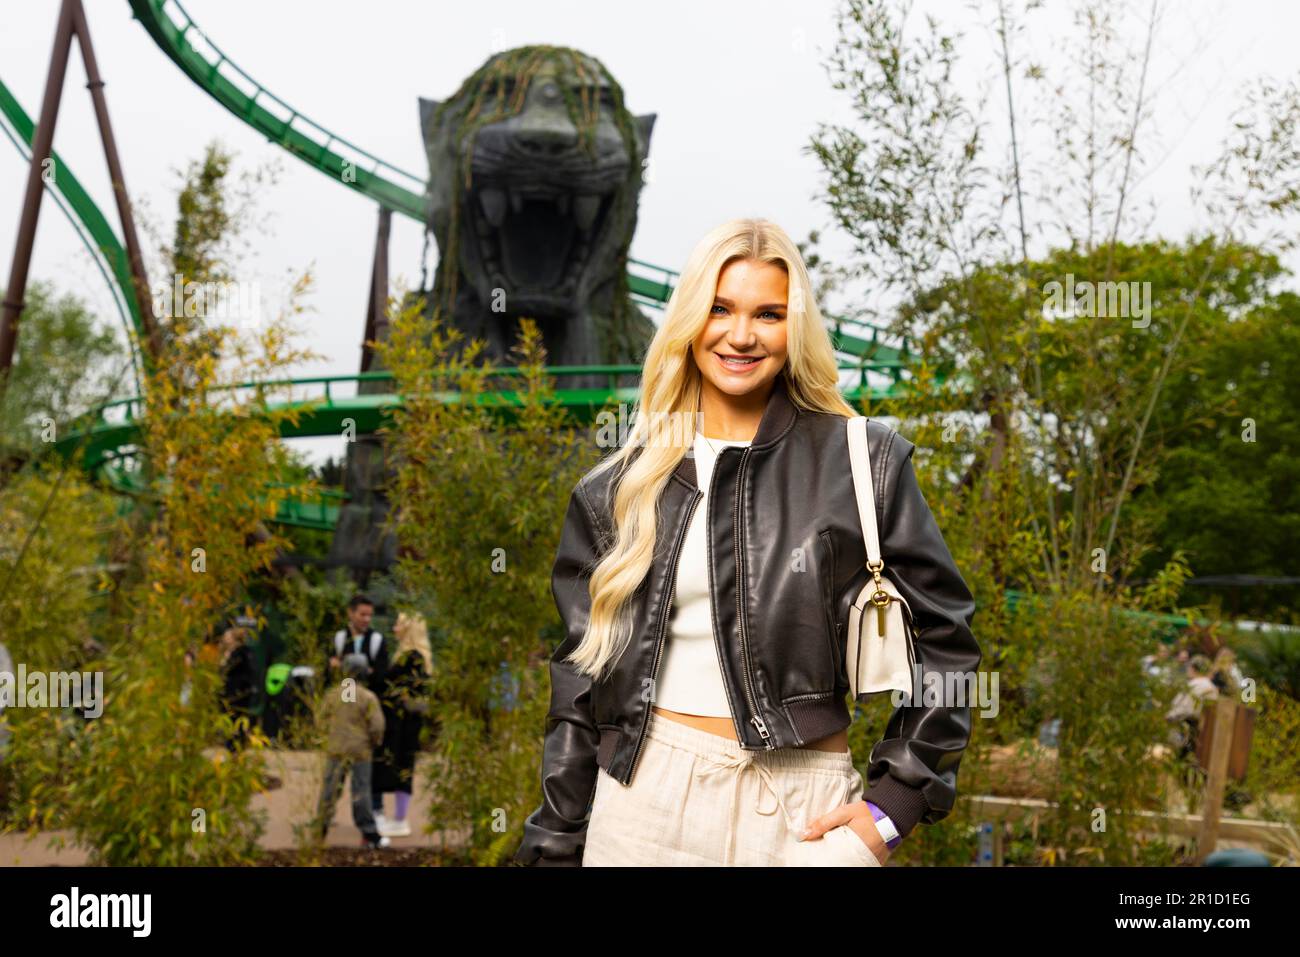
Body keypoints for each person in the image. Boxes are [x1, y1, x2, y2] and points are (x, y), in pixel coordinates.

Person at [514, 218, 982, 867]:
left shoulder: (863, 462)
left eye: (767, 313)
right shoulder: (615, 489)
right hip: (642, 808)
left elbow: (949, 640)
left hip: (805, 812)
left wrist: (894, 806)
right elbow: (578, 691)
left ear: (794, 327)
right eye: (719, 309)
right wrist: (556, 838)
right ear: (688, 322)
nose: (740, 334)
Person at [328, 594, 392, 827]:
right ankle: (327, 812)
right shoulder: (338, 638)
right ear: (350, 613)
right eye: (362, 614)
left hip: (366, 708)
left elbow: (383, 675)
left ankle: (375, 810)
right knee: (336, 764)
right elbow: (329, 672)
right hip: (343, 707)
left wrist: (366, 672)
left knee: (367, 767)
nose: (366, 619)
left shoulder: (376, 640)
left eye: (369, 615)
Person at [314, 653, 389, 849]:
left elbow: (320, 720)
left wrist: (328, 737)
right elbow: (377, 725)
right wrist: (374, 742)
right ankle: (369, 833)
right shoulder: (368, 697)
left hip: (336, 749)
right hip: (360, 750)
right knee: (361, 791)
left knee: (330, 790)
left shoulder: (333, 694)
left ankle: (319, 829)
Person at [373, 612, 434, 837]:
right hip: (408, 722)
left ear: (409, 629)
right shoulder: (415, 656)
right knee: (403, 765)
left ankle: (400, 819)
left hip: (404, 723)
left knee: (403, 766)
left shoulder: (411, 656)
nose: (394, 628)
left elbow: (390, 685)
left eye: (398, 624)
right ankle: (398, 817)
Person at [218, 622, 257, 751]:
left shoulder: (239, 652)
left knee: (235, 721)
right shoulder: (236, 652)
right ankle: (233, 748)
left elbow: (228, 670)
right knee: (231, 722)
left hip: (236, 694)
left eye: (226, 636)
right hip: (232, 693)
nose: (224, 638)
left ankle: (235, 748)